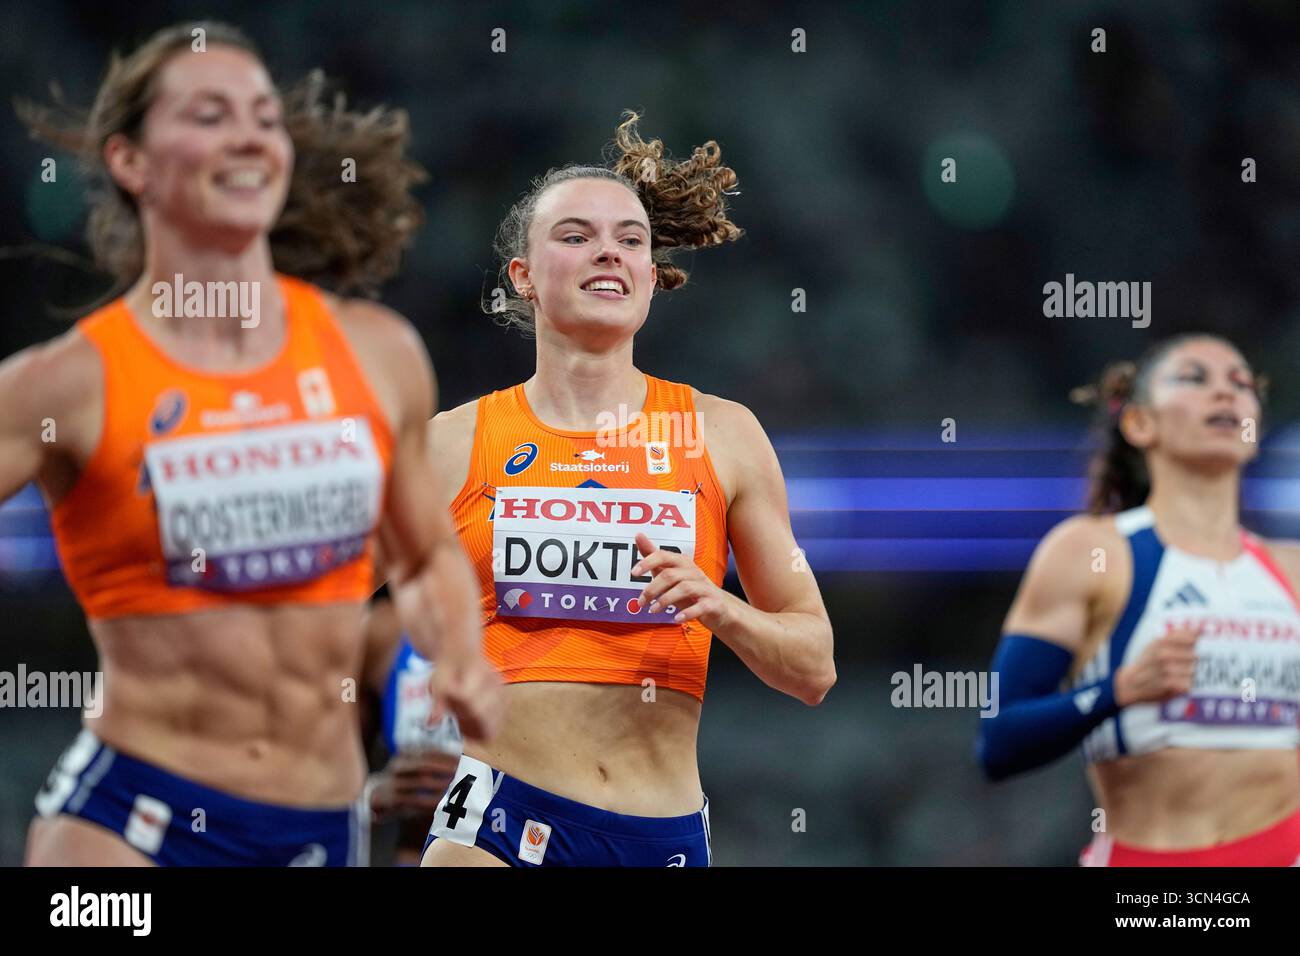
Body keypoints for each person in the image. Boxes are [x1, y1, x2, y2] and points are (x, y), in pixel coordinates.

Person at [3, 20, 500, 866]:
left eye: (265, 117)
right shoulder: (66, 384)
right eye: (207, 114)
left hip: (318, 830)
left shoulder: (377, 354)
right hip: (130, 827)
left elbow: (419, 560)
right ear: (130, 162)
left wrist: (459, 655)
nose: (248, 136)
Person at [420, 113, 836, 867]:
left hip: (660, 837)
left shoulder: (723, 434)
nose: (607, 249)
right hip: (498, 823)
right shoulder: (451, 443)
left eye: (630, 239)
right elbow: (346, 618)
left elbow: (813, 666)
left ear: (648, 276)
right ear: (523, 276)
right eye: (575, 236)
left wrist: (723, 608)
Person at [978, 334, 1300, 866]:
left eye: (1242, 384)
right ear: (1139, 423)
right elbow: (999, 743)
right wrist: (1119, 690)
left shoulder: (1292, 568)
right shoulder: (1090, 552)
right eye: (1195, 378)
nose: (1226, 394)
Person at [360, 588, 462, 865]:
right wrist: (374, 794)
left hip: (496, 851)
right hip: (411, 851)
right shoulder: (382, 631)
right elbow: (326, 775)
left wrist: (477, 783)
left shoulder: (532, 628)